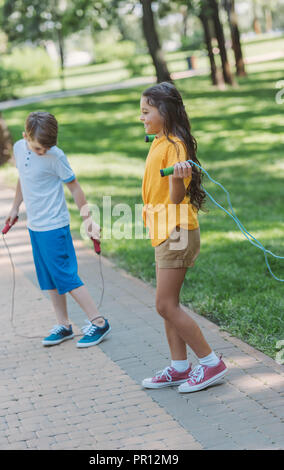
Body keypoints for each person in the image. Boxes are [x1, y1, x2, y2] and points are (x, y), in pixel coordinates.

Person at [140, 82, 227, 393]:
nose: (142, 118)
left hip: (177, 231)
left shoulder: (176, 145)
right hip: (164, 231)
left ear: (165, 112)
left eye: (146, 112)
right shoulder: (162, 139)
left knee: (164, 304)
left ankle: (210, 363)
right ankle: (179, 367)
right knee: (168, 303)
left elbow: (177, 197)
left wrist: (178, 177)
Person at [5, 111, 111, 348]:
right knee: (49, 278)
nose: (42, 152)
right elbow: (23, 177)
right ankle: (64, 325)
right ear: (25, 136)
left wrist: (88, 221)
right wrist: (15, 207)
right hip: (35, 226)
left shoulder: (56, 156)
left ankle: (99, 321)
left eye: (45, 149)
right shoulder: (20, 148)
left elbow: (75, 188)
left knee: (66, 276)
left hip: (54, 226)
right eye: (38, 148)